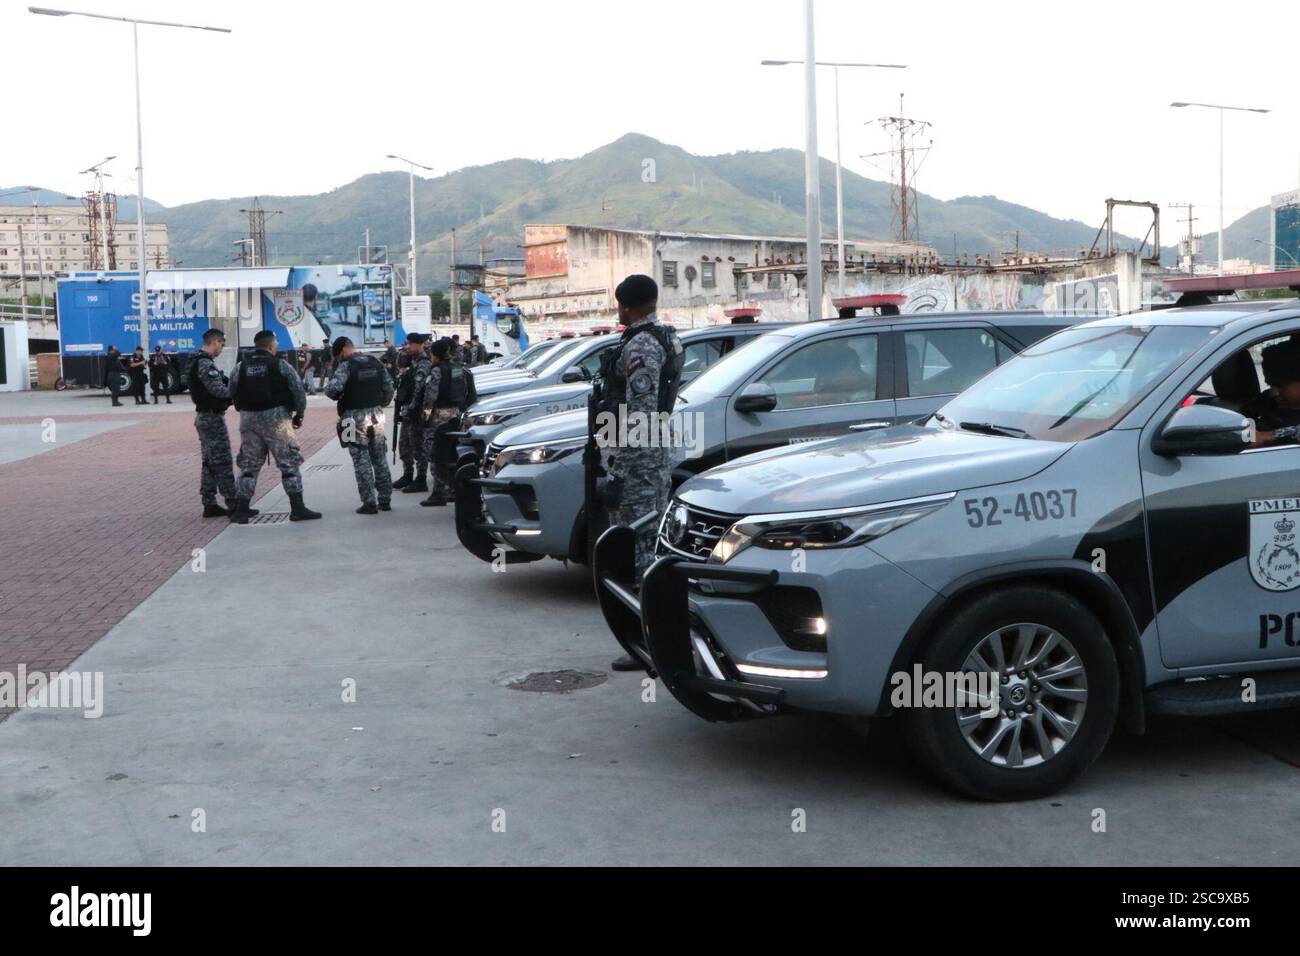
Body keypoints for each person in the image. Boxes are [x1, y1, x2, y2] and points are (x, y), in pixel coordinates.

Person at [596, 274, 684, 671]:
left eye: (619, 303)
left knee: (639, 541)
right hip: (646, 451)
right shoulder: (658, 336)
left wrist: (621, 460)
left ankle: (647, 640)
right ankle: (650, 635)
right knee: (642, 537)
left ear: (626, 305)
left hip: (640, 454)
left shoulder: (644, 343)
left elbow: (642, 408)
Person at [229, 330, 321, 523]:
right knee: (288, 463)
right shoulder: (280, 364)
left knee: (248, 465)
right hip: (277, 419)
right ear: (271, 345)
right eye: (276, 343)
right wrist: (299, 414)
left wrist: (243, 409)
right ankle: (297, 508)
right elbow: (298, 390)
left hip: (248, 419)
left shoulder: (240, 366)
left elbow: (232, 390)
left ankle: (241, 509)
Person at [187, 329, 256, 519]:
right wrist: (237, 391)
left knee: (209, 463)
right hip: (211, 419)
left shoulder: (197, 360)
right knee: (222, 461)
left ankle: (209, 503)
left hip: (206, 417)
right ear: (214, 342)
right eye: (222, 344)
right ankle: (233, 505)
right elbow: (219, 391)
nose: (222, 349)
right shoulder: (204, 363)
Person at [325, 336, 396, 514]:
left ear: (341, 351)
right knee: (379, 456)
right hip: (377, 416)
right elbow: (389, 387)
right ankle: (385, 499)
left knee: (360, 459)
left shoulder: (346, 366)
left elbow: (332, 390)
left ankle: (369, 502)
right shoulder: (375, 362)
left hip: (351, 418)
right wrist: (381, 404)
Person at [414, 338, 469, 507]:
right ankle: (453, 490)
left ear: (435, 354)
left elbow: (430, 398)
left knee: (435, 454)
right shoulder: (459, 368)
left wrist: (424, 417)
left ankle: (439, 493)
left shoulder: (436, 371)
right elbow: (465, 391)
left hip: (438, 416)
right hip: (455, 414)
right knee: (452, 453)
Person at [1246, 340, 1300, 446]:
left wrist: (1269, 436)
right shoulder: (1266, 401)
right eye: (1270, 385)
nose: (1274, 393)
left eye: (1280, 385)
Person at [399, 334, 435, 495]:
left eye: (409, 344)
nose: (407, 347)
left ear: (418, 345)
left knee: (418, 446)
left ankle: (420, 479)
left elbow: (419, 389)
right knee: (405, 445)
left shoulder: (424, 363)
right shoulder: (413, 362)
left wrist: (413, 409)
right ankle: (408, 475)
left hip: (416, 412)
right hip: (409, 409)